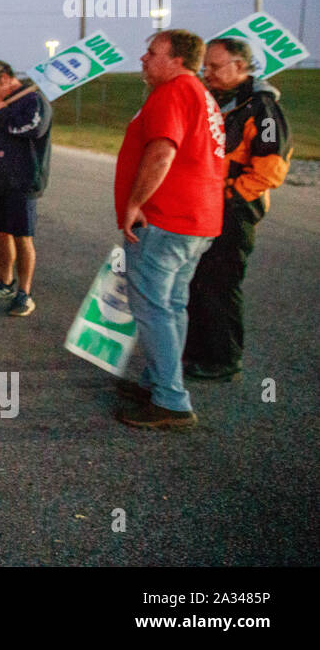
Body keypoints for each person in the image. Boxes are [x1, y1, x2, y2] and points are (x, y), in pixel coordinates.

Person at [113, 30, 225, 430]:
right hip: (196, 221)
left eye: (152, 52)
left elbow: (163, 150)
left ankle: (172, 401)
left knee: (154, 308)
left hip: (166, 221)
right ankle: (158, 380)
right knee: (172, 306)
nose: (143, 59)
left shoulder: (174, 91)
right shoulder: (199, 93)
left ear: (178, 61)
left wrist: (133, 204)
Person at [183, 37, 291, 381]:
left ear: (240, 67)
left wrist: (230, 197)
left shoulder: (262, 108)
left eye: (215, 67)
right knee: (198, 282)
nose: (207, 73)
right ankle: (197, 353)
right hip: (204, 208)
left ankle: (224, 361)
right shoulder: (217, 101)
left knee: (221, 284)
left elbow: (270, 169)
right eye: (206, 66)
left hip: (233, 212)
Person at [0, 60, 52, 317]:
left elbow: (31, 129)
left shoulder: (33, 100)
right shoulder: (0, 106)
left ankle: (24, 293)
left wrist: (2, 112)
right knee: (0, 232)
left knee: (21, 235)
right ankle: (5, 282)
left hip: (22, 180)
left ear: (4, 78)